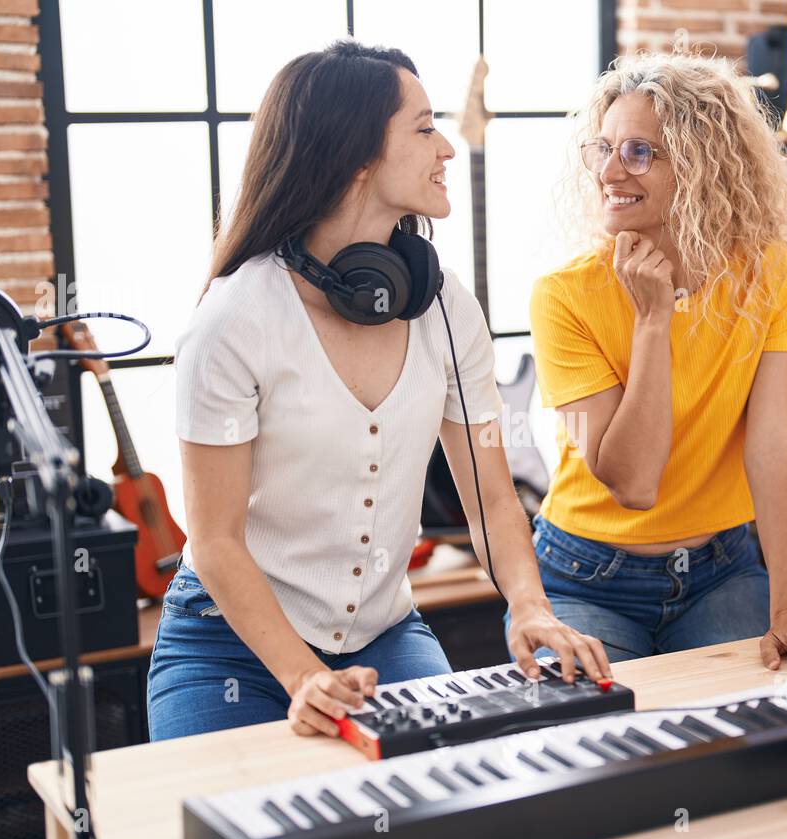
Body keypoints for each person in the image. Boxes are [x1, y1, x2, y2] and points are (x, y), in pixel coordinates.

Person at [148, 40, 610, 742]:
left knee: (451, 803)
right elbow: (213, 541)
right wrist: (304, 678)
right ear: (358, 155)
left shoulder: (448, 308)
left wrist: (530, 606)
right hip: (226, 648)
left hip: (386, 638)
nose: (447, 148)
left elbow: (489, 498)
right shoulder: (234, 320)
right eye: (424, 128)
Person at [519, 51, 787, 672]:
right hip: (585, 576)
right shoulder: (564, 294)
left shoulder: (770, 272)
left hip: (722, 570)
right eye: (603, 149)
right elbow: (633, 482)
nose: (610, 170)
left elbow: (775, 441)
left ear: (700, 167)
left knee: (747, 743)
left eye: (639, 152)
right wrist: (652, 320)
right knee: (601, 750)